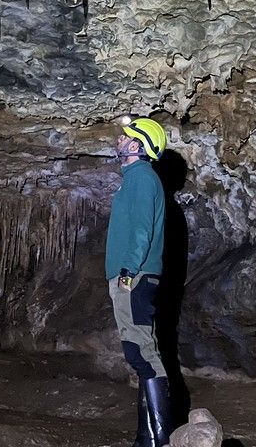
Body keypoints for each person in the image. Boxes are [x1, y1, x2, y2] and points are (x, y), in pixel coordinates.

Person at [107, 116, 172, 447]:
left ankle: (161, 439)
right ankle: (144, 437)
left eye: (125, 137)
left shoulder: (143, 178)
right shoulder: (133, 178)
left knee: (141, 352)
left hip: (136, 274)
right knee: (138, 351)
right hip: (132, 274)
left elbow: (143, 229)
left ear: (137, 146)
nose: (119, 140)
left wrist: (129, 269)